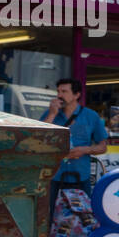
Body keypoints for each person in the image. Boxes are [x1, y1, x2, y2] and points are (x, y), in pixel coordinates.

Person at [40, 78, 109, 222]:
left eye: (64, 91)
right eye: (58, 91)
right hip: (54, 176)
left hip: (80, 175)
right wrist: (52, 114)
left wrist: (85, 150)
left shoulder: (91, 116)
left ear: (76, 95)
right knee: (50, 217)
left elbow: (103, 146)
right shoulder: (50, 114)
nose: (59, 95)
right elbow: (39, 138)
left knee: (83, 218)